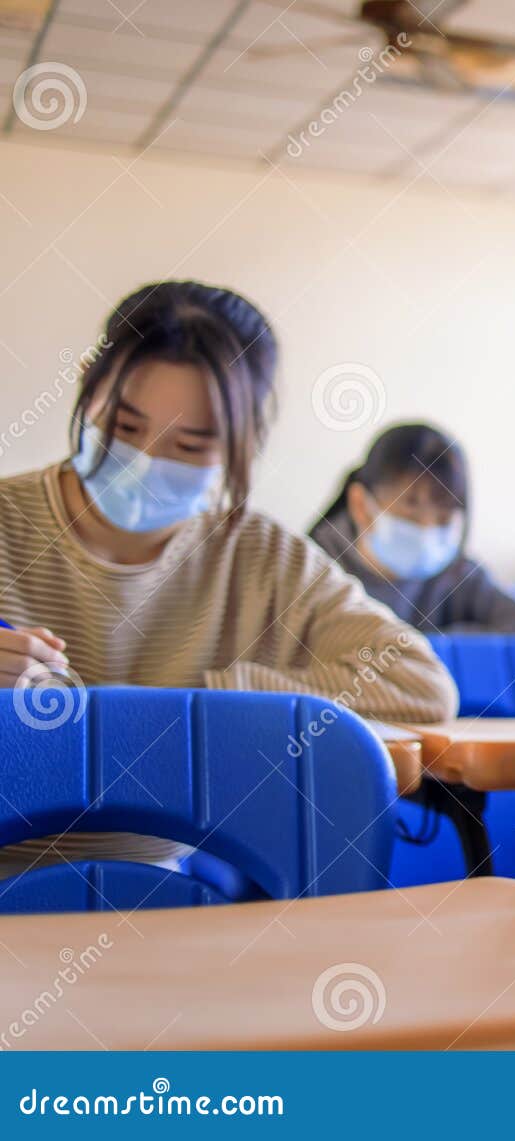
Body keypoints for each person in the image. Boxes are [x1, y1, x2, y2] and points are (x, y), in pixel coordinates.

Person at [0, 281, 458, 877]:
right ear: (89, 387)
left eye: (190, 445)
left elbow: (419, 683)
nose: (144, 461)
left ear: (243, 443)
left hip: (161, 900)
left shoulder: (259, 557)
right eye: (124, 426)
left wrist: (217, 698)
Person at [310, 423, 515, 636]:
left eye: (442, 519)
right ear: (360, 505)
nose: (427, 531)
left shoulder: (457, 575)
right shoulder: (312, 570)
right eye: (411, 512)